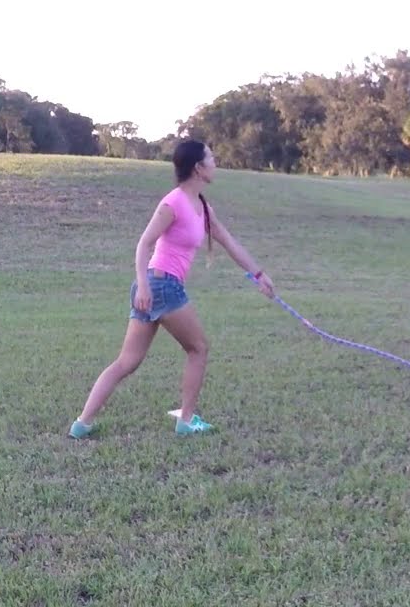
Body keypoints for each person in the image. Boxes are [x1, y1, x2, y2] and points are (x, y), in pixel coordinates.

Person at [69, 140, 275, 438]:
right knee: (198, 348)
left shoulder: (202, 206)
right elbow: (143, 244)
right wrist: (142, 285)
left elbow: (228, 242)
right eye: (211, 159)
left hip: (158, 287)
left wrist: (259, 274)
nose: (216, 163)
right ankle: (186, 421)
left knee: (128, 361)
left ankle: (82, 424)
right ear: (198, 168)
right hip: (161, 285)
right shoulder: (173, 203)